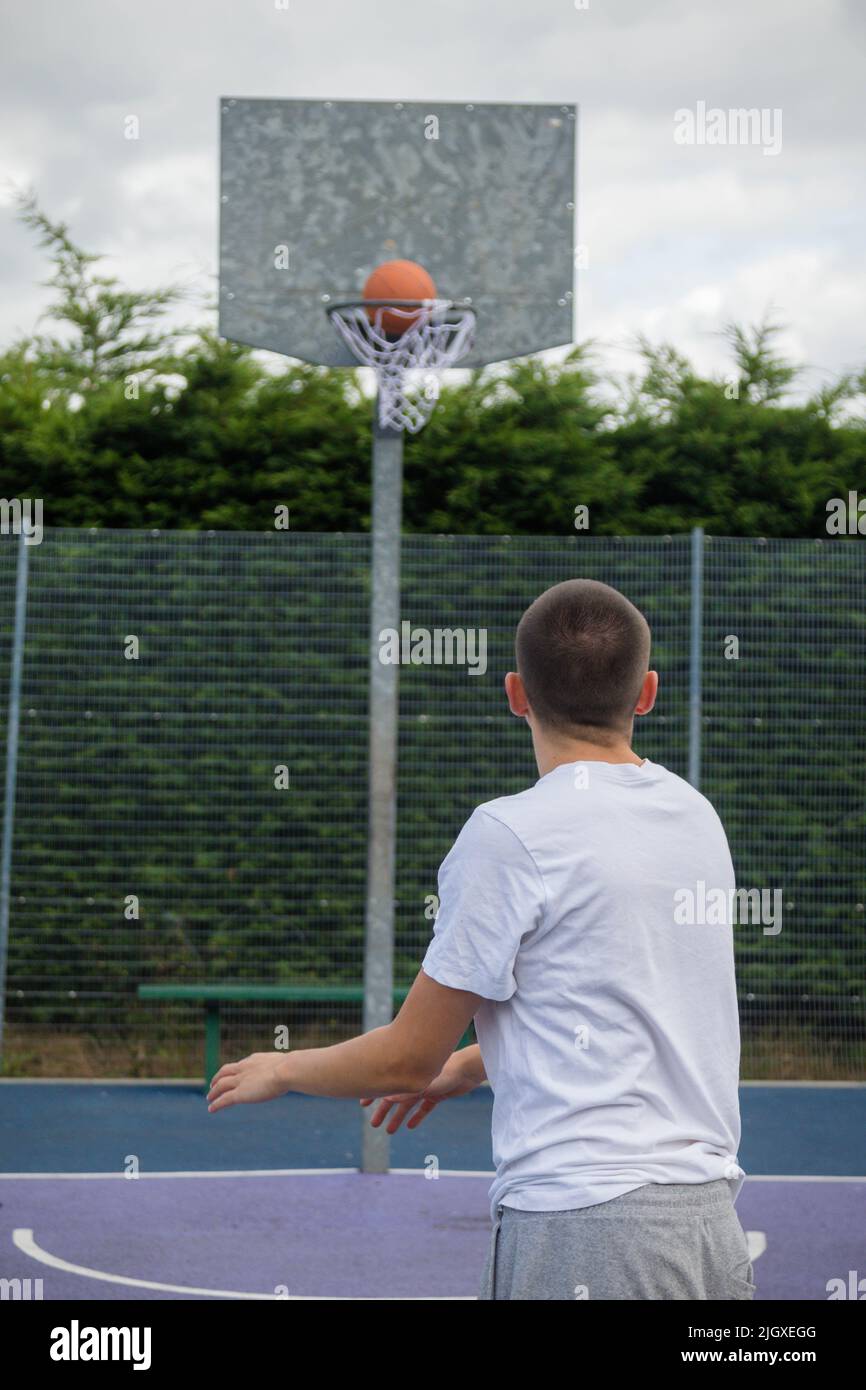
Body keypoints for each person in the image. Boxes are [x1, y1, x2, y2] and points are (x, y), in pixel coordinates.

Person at [208, 578, 753, 1301]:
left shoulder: (509, 837)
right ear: (647, 692)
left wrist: (285, 1068)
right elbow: (624, 1006)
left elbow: (405, 1058)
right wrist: (474, 1063)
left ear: (515, 692)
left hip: (583, 1230)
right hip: (710, 1229)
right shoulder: (695, 817)